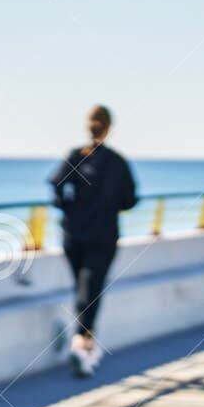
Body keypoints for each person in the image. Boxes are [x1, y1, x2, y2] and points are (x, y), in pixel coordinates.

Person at [49, 105, 138, 377]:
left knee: (83, 289)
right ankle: (82, 344)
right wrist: (106, 205)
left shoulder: (76, 156)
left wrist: (70, 207)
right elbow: (130, 200)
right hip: (102, 235)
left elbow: (55, 185)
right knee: (90, 289)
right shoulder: (116, 162)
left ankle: (84, 343)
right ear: (109, 127)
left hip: (73, 234)